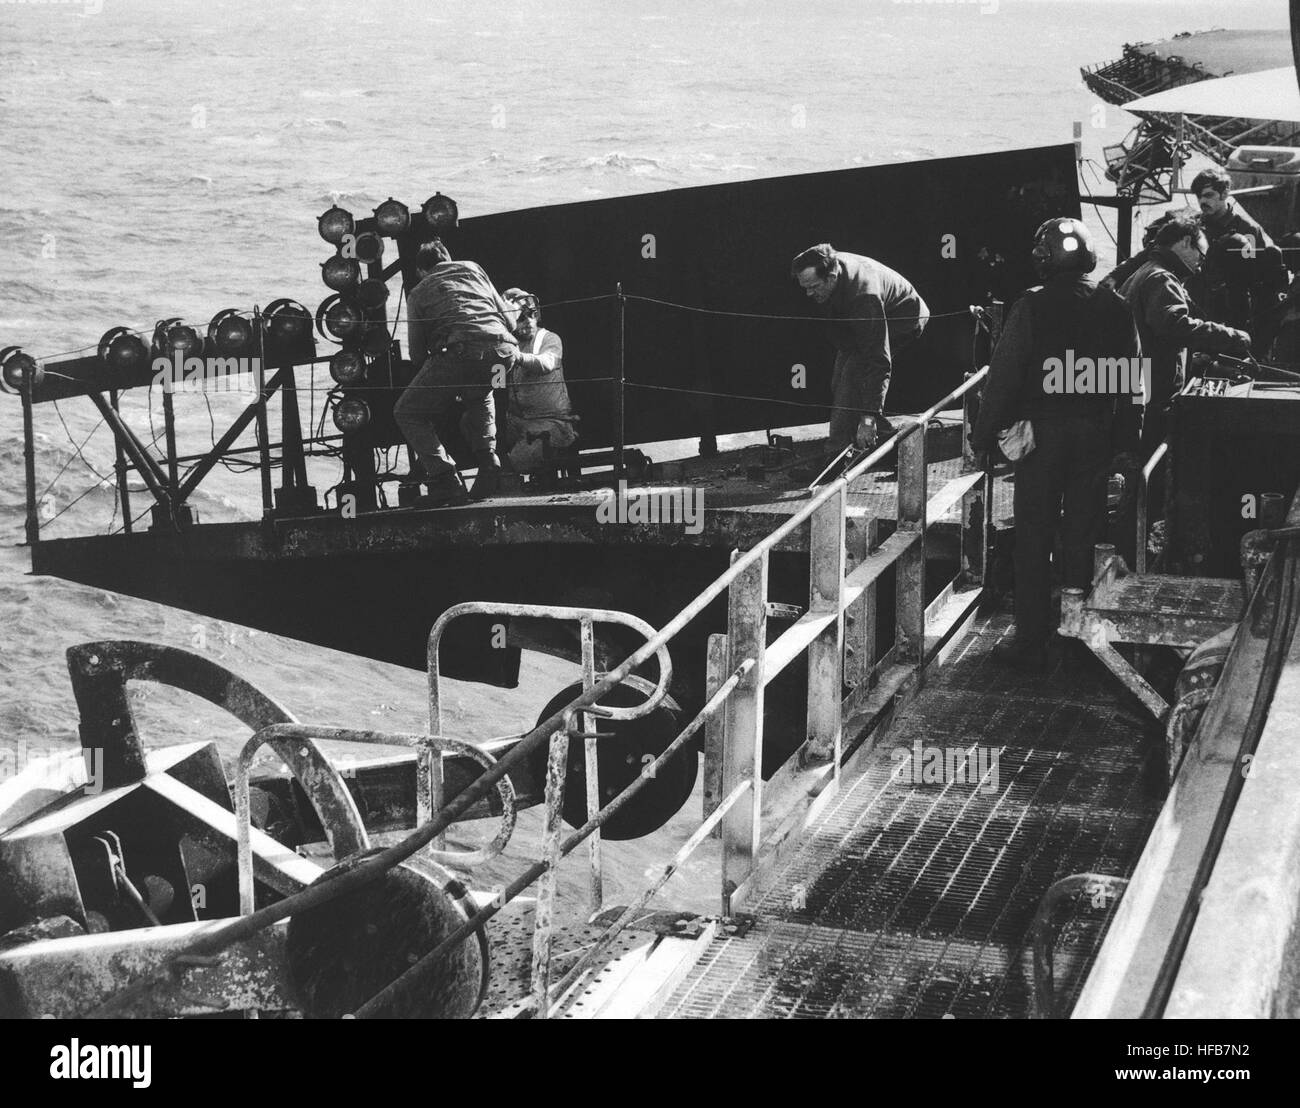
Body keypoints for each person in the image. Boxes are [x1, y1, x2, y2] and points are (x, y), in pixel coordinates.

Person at [970, 217, 1142, 672]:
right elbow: (1130, 382)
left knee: (1034, 535)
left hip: (1043, 438)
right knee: (1083, 533)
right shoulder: (1117, 305)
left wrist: (984, 435)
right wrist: (1127, 443)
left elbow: (1004, 376)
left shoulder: (1032, 305)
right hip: (1095, 436)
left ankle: (1030, 640)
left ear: (1043, 258)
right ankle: (1077, 634)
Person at [1117, 212, 1251, 464]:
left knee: (1139, 470)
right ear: (1186, 242)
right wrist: (1232, 337)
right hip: (1153, 394)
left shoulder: (1145, 272)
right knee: (1153, 469)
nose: (1201, 263)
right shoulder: (1161, 278)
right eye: (1201, 254)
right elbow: (1175, 326)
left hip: (1137, 388)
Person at [394, 239, 518, 502]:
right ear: (448, 258)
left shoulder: (418, 291)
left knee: (407, 412)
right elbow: (510, 320)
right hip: (505, 350)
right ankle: (488, 461)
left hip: (462, 351)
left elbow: (416, 355)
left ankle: (445, 478)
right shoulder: (474, 268)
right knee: (480, 392)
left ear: (420, 270)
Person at [791, 243, 929, 455]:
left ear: (832, 277)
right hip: (862, 323)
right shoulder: (830, 270)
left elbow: (879, 361)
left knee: (851, 380)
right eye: (805, 288)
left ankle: (835, 455)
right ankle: (890, 446)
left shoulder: (864, 297)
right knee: (840, 381)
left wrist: (868, 417)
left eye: (814, 286)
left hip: (903, 319)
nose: (809, 294)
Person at [495, 287, 578, 473]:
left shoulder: (550, 338)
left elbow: (547, 363)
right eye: (521, 317)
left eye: (532, 314)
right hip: (516, 421)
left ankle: (504, 473)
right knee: (471, 422)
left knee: (516, 462)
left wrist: (518, 357)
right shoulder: (504, 345)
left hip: (550, 421)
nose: (529, 321)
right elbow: (497, 384)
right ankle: (496, 468)